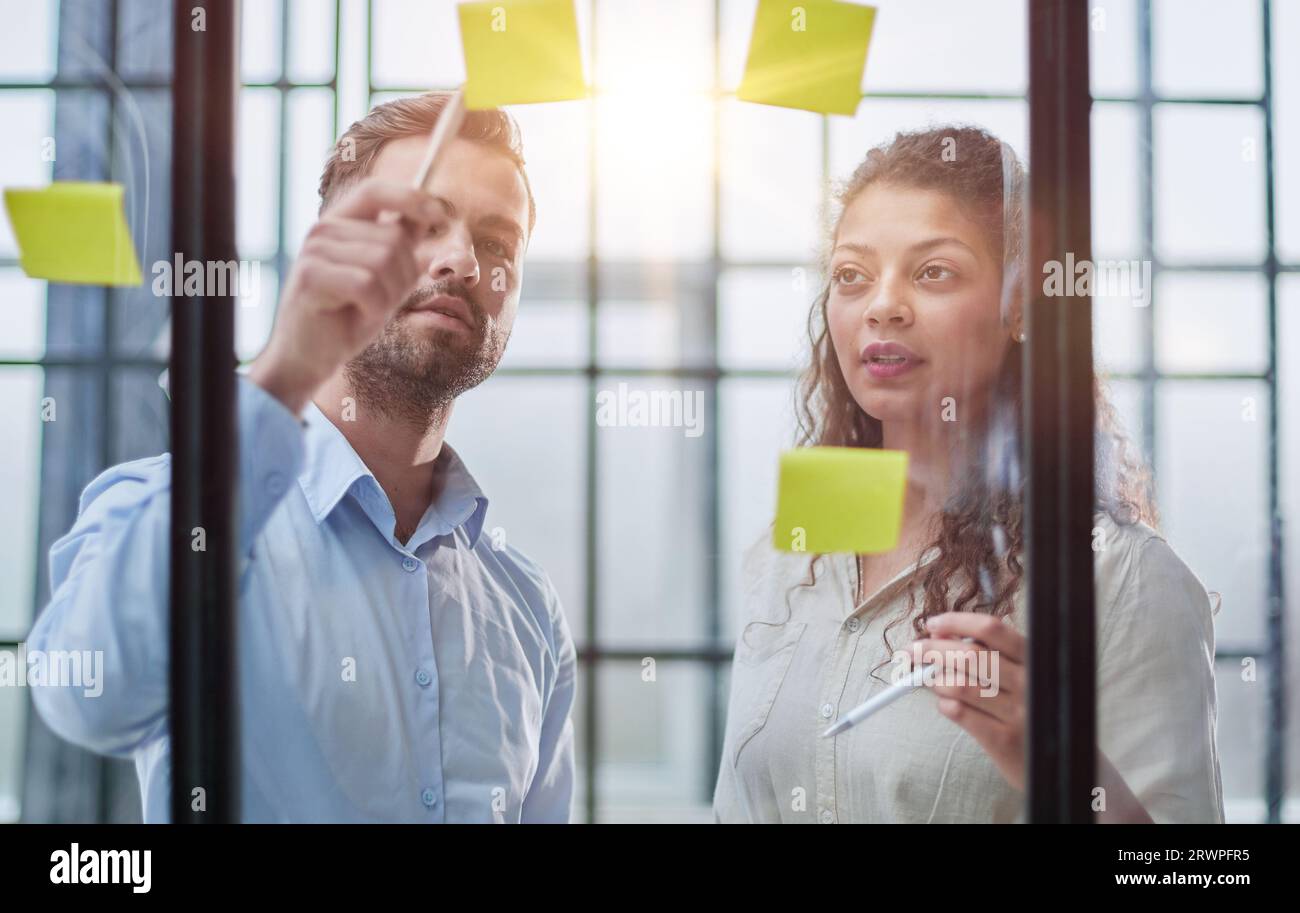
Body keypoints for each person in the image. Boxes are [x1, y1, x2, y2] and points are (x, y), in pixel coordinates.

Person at [27, 92, 577, 823]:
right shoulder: (169, 510)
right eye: (422, 222)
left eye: (498, 243)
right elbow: (87, 697)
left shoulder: (528, 609)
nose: (462, 260)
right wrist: (285, 367)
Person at [713, 126, 1223, 824]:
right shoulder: (796, 536)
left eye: (933, 272)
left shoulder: (1119, 578)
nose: (882, 305)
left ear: (1017, 306)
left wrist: (1066, 770)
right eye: (851, 276)